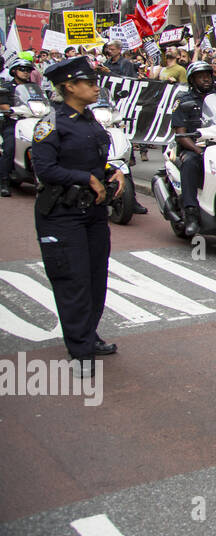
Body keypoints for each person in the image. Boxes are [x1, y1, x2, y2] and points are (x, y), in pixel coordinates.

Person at [30, 57, 127, 377]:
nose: (95, 86)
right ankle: (79, 349)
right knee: (73, 281)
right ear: (69, 86)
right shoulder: (51, 122)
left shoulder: (89, 120)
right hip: (62, 214)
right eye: (88, 82)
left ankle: (89, 334)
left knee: (96, 277)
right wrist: (86, 179)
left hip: (93, 213)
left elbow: (95, 159)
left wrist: (113, 172)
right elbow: (44, 168)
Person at [171, 61, 216, 238]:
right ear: (192, 80)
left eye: (208, 75)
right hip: (193, 147)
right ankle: (191, 213)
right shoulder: (183, 100)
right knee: (190, 163)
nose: (206, 79)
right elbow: (181, 135)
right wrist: (199, 151)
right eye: (201, 76)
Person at [0, 58, 38, 196]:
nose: (26, 73)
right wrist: (14, 110)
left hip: (32, 121)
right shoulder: (7, 87)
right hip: (13, 122)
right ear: (14, 71)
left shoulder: (34, 88)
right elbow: (3, 105)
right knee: (10, 146)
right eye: (22, 69)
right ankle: (3, 181)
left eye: (28, 70)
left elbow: (43, 102)